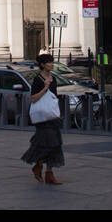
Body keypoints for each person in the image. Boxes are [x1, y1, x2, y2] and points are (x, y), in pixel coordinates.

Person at [21, 53, 64, 186]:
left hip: (52, 116)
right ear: (42, 65)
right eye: (49, 62)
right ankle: (38, 166)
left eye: (52, 62)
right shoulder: (38, 80)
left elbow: (53, 97)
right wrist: (45, 87)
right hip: (42, 118)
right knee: (45, 143)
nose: (52, 64)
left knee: (55, 144)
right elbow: (33, 98)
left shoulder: (54, 79)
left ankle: (49, 174)